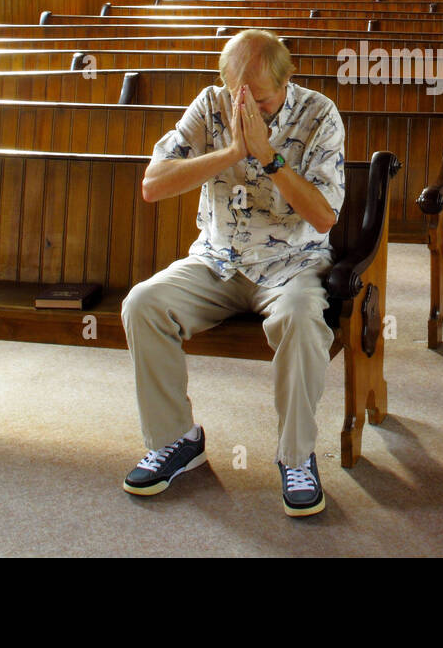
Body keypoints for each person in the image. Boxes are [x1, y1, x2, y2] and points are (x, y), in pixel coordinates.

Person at [120, 29, 345, 516]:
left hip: (293, 265)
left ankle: (296, 455)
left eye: (259, 99)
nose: (244, 106)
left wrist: (268, 156)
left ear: (287, 82)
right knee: (143, 303)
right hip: (217, 261)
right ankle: (177, 439)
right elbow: (153, 185)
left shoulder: (319, 114)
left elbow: (325, 216)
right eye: (236, 93)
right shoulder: (209, 104)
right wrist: (231, 152)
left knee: (303, 321)